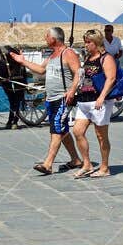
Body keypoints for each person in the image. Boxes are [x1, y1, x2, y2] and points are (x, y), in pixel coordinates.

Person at [11, 27, 82, 175]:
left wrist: (72, 90)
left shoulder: (68, 53)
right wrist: (23, 62)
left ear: (54, 39)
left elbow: (79, 73)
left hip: (63, 98)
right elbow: (41, 70)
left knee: (56, 130)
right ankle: (75, 159)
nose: (45, 38)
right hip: (51, 99)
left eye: (47, 36)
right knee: (61, 129)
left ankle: (48, 164)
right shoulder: (52, 56)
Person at [69, 29, 117, 178]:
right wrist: (72, 90)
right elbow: (80, 75)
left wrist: (102, 97)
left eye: (88, 42)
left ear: (96, 43)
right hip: (84, 101)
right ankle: (87, 164)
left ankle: (104, 167)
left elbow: (111, 78)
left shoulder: (106, 58)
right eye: (85, 42)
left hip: (98, 101)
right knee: (77, 131)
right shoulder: (88, 58)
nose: (86, 45)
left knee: (101, 135)